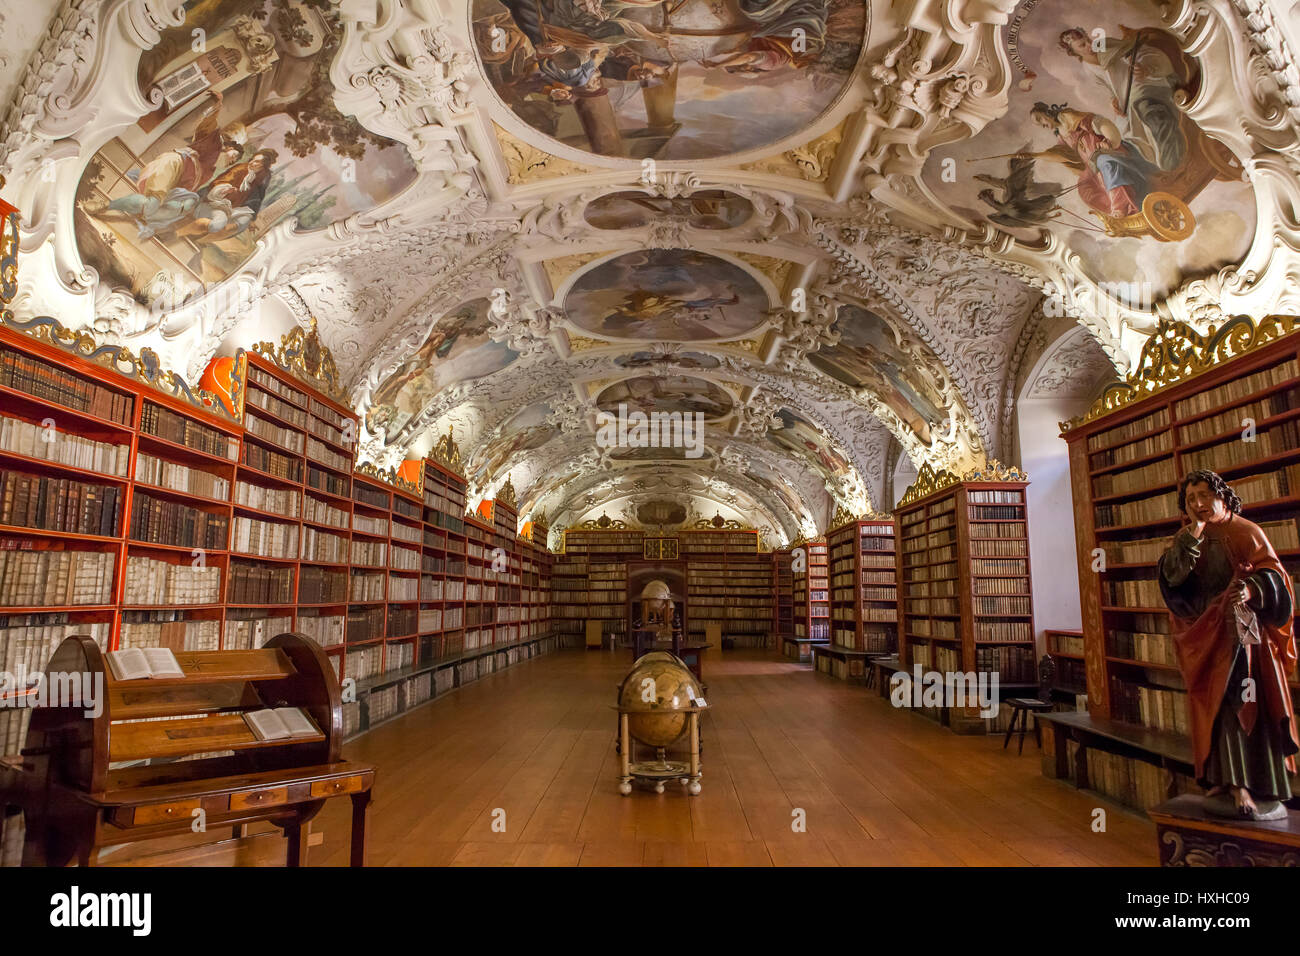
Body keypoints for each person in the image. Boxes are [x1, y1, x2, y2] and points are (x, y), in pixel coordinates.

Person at [1158, 470, 1298, 819]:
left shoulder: (1245, 531)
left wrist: (1252, 589)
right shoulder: (1185, 538)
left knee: (1245, 702)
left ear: (1222, 496)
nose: (1198, 504)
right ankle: (1224, 779)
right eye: (1190, 500)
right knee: (1215, 709)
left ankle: (1252, 786)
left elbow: (1276, 578)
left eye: (1204, 495)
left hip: (1246, 637)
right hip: (1207, 637)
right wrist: (1190, 541)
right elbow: (1172, 579)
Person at [1058, 26, 1187, 172]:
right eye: (1082, 45)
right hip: (1127, 97)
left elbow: (1140, 52)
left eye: (1088, 40)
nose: (1090, 45)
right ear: (1074, 52)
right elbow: (1109, 87)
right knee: (1123, 131)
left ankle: (1173, 160)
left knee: (1147, 111)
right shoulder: (1088, 69)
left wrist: (1145, 68)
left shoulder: (1105, 45)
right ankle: (1154, 166)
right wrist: (1113, 100)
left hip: (1148, 83)